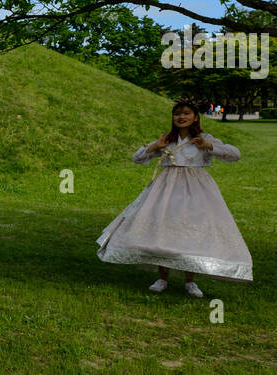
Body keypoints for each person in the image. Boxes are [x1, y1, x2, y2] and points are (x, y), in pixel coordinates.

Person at [96, 99, 252, 296]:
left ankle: (190, 281)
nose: (181, 117)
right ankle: (162, 278)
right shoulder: (167, 139)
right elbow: (138, 158)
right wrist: (155, 146)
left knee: (192, 230)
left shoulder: (204, 138)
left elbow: (234, 155)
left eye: (187, 113)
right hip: (166, 189)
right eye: (177, 113)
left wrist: (209, 145)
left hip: (197, 189)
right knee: (163, 229)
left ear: (195, 117)